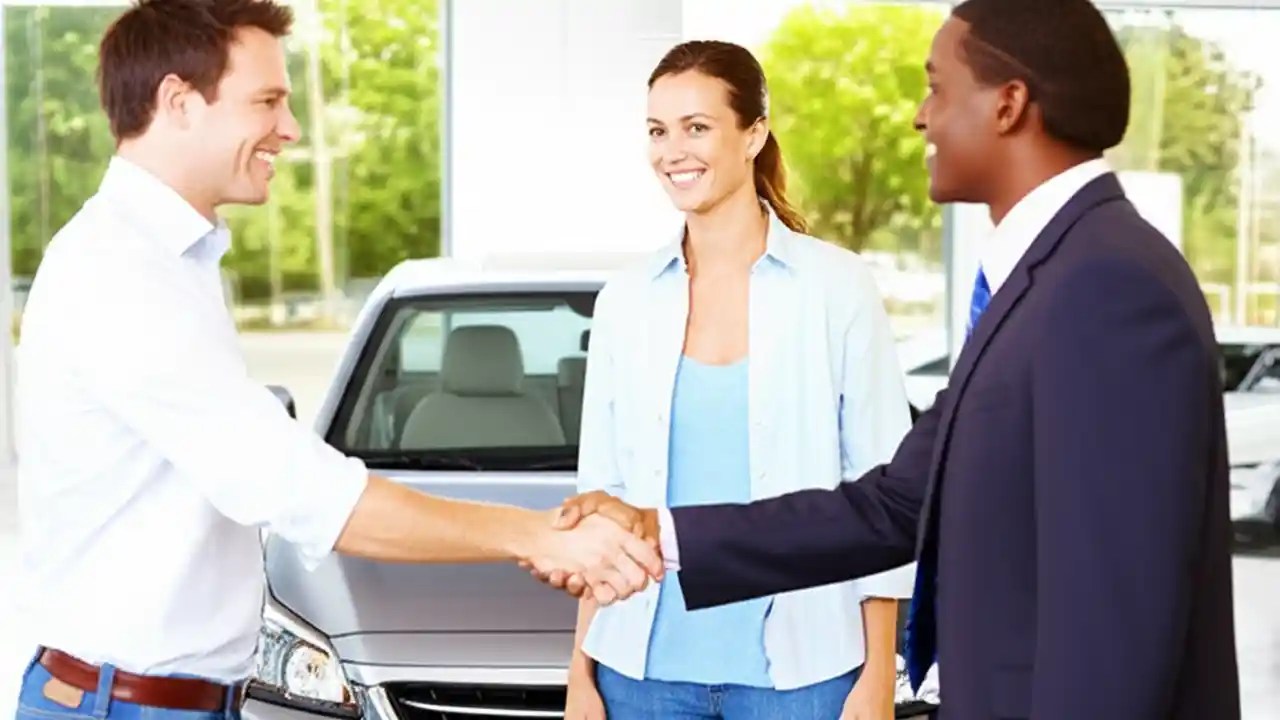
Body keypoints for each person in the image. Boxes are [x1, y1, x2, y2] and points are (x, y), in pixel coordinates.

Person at [550, 1, 1242, 718]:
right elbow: (893, 504)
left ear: (1008, 105)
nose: (920, 116)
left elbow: (1116, 616)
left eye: (937, 88)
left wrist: (876, 670)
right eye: (658, 129)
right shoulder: (1044, 279)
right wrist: (657, 530)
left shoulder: (1107, 285)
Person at [10, 2, 659, 718]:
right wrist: (533, 533)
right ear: (179, 102)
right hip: (126, 706)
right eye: (267, 101)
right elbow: (301, 490)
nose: (289, 129)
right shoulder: (123, 274)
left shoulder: (170, 261)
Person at [564, 40, 914, 720]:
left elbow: (882, 494)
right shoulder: (625, 301)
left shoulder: (837, 288)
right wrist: (581, 672)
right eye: (657, 131)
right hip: (640, 674)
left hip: (806, 676)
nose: (673, 152)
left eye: (696, 127)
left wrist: (877, 677)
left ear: (754, 134)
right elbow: (601, 499)